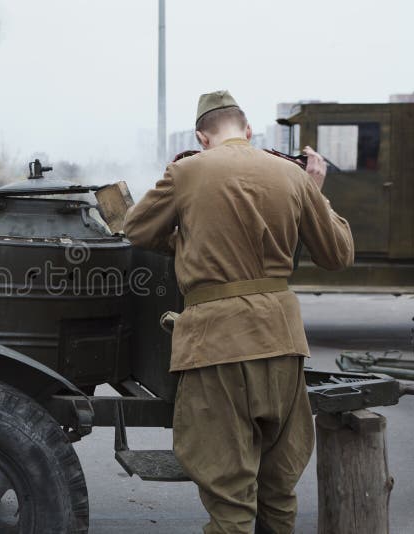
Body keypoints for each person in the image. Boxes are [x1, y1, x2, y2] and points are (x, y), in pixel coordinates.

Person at [123, 90, 354, 534]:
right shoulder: (293, 176)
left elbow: (137, 229)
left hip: (216, 345)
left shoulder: (187, 171)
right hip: (282, 342)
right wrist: (315, 191)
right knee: (278, 491)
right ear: (248, 131)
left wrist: (187, 242)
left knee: (230, 501)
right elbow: (338, 253)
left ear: (201, 137)